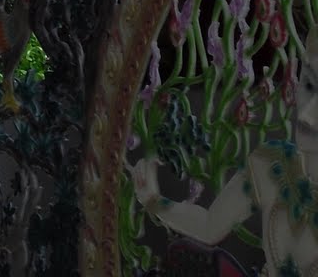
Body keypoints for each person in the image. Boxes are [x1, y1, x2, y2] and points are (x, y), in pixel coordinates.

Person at [132, 32, 318, 274]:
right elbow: (210, 226)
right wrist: (153, 201)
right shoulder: (272, 164)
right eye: (309, 85)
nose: (307, 115)